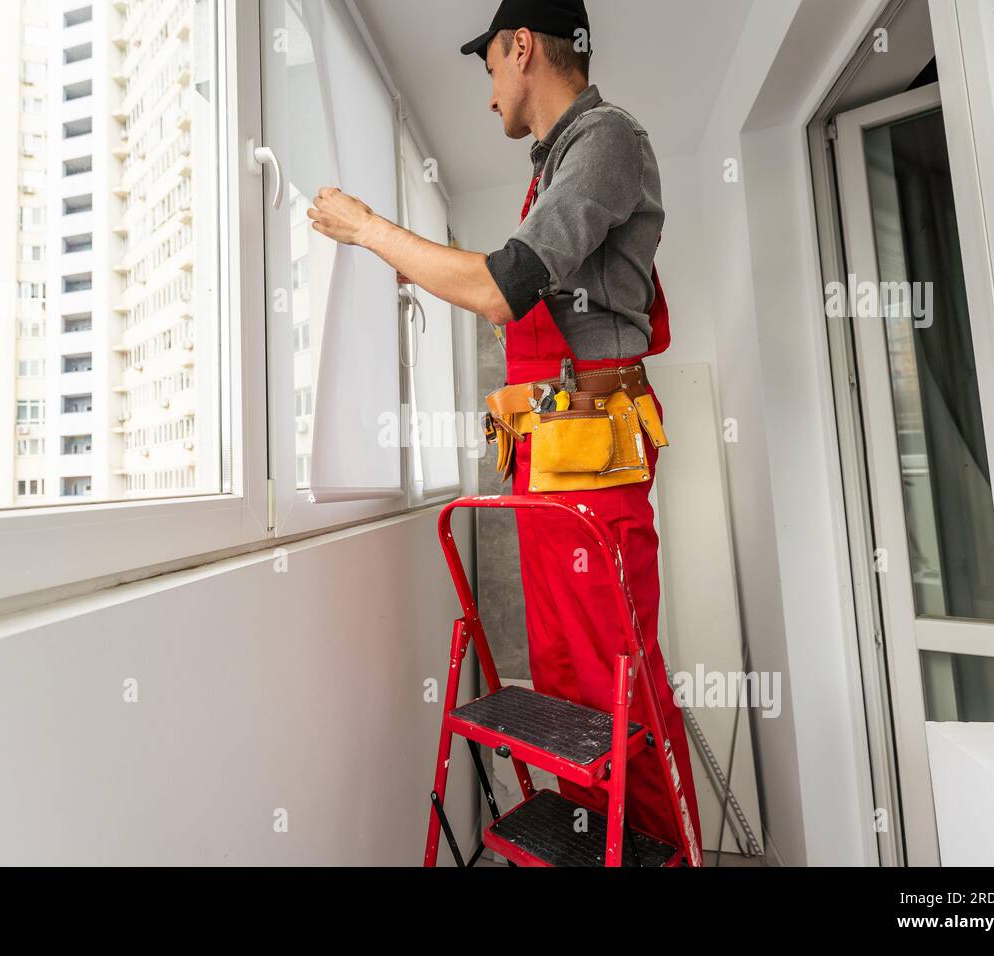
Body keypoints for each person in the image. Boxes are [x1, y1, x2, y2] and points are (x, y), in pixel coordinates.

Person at [308, 0, 702, 861]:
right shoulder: (551, 168)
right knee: (568, 698)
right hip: (549, 470)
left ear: (523, 47)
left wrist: (372, 229)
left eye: (490, 66)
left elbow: (502, 287)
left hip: (594, 474)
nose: (489, 93)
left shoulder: (606, 141)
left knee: (619, 699)